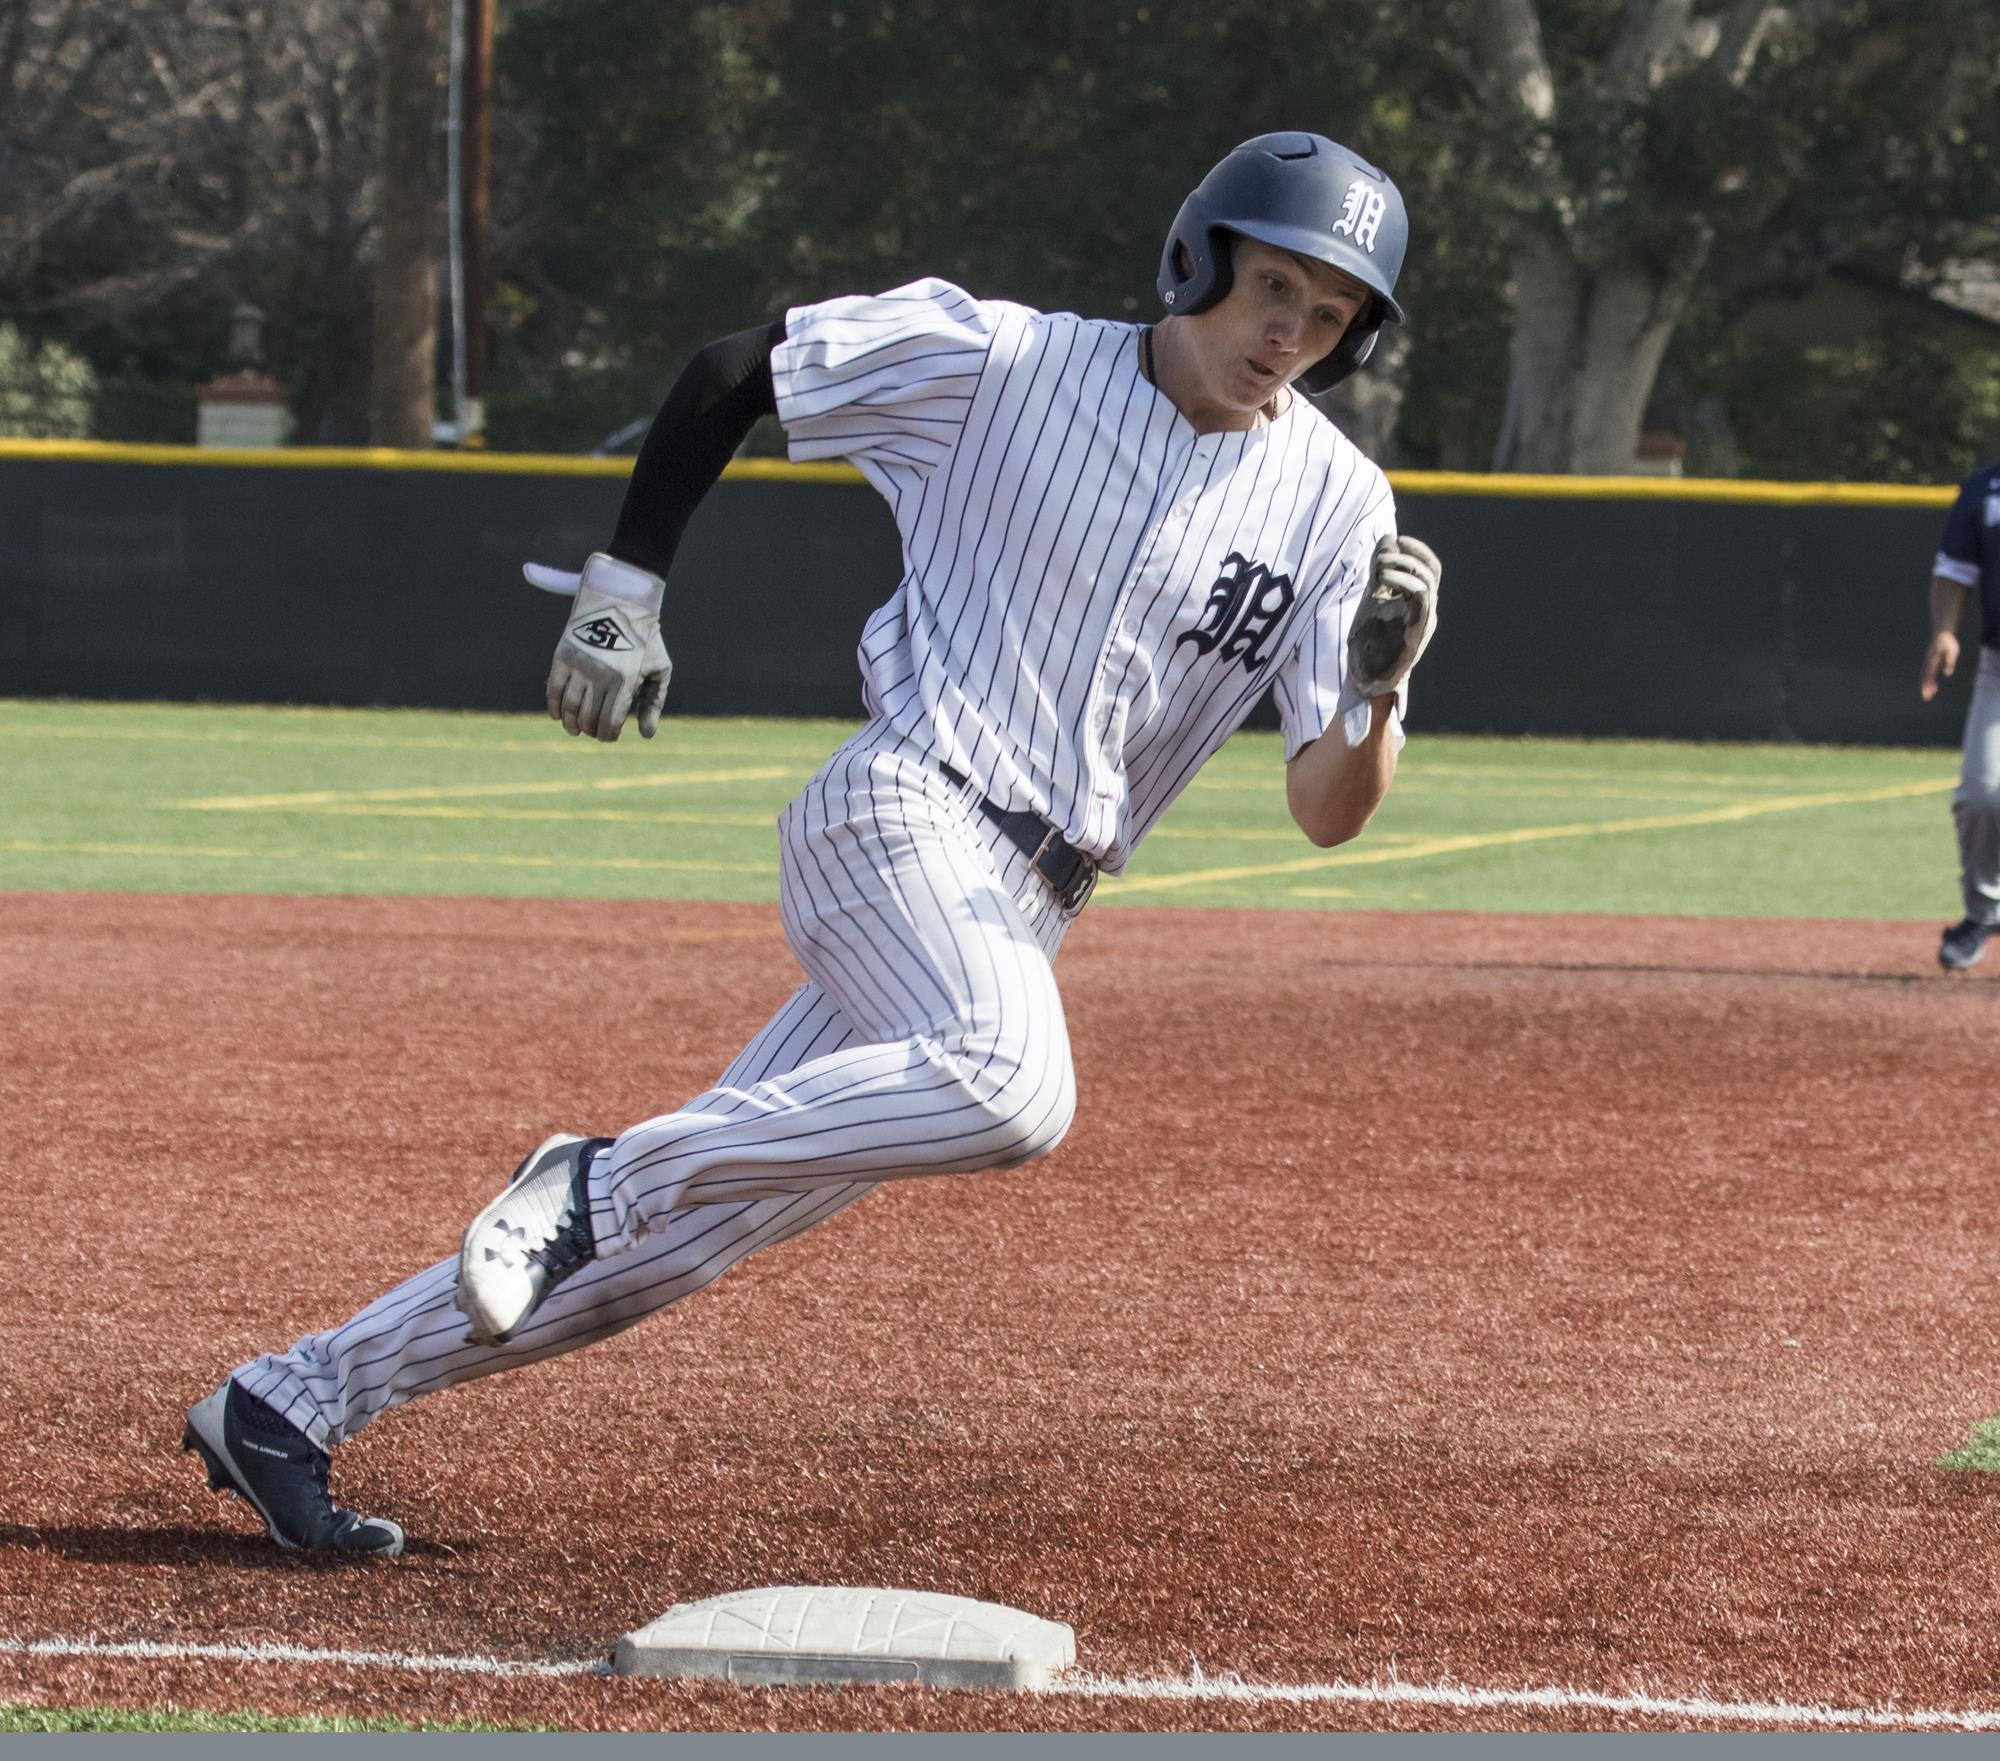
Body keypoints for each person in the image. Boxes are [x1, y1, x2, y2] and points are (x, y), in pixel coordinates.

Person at [181, 131, 1444, 1554]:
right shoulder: (1006, 365)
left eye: (1328, 315)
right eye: (1272, 283)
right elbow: (737, 369)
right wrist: (624, 585)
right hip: (903, 811)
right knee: (1012, 1087)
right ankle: (596, 1176)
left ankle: (290, 1401)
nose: (1288, 330)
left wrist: (1385, 685)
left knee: (663, 1257)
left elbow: (1326, 807)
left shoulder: (1341, 508)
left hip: (1023, 909)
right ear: (1198, 258)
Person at [1922, 454, 2000, 971]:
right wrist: (1945, 631)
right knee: (1979, 796)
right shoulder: (1984, 488)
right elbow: (1954, 568)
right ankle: (1984, 911)